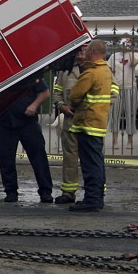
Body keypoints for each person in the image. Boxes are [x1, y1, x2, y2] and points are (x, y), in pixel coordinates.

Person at [68, 39, 115, 212]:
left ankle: (92, 200)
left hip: (87, 122)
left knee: (90, 164)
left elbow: (74, 95)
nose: (85, 52)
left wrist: (74, 104)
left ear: (93, 51)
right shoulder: (106, 71)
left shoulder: (91, 73)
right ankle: (96, 197)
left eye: (88, 49)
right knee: (96, 162)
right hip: (98, 122)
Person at [0, 76, 53, 203]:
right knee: (6, 160)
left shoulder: (29, 73)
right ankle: (10, 192)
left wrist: (34, 105)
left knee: (38, 158)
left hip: (27, 122)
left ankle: (45, 191)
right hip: (4, 122)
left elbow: (45, 92)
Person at [53, 44, 86, 204]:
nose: (80, 55)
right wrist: (61, 106)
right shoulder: (65, 70)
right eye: (78, 52)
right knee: (70, 157)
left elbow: (112, 91)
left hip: (89, 120)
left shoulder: (97, 69)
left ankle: (94, 193)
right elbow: (57, 91)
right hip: (70, 119)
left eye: (84, 51)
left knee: (90, 158)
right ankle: (68, 193)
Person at [108, 39, 138, 151]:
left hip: (130, 87)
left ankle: (130, 140)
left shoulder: (135, 54)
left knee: (130, 113)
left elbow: (133, 63)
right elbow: (110, 70)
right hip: (117, 87)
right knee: (115, 114)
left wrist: (130, 51)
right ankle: (115, 140)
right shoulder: (114, 56)